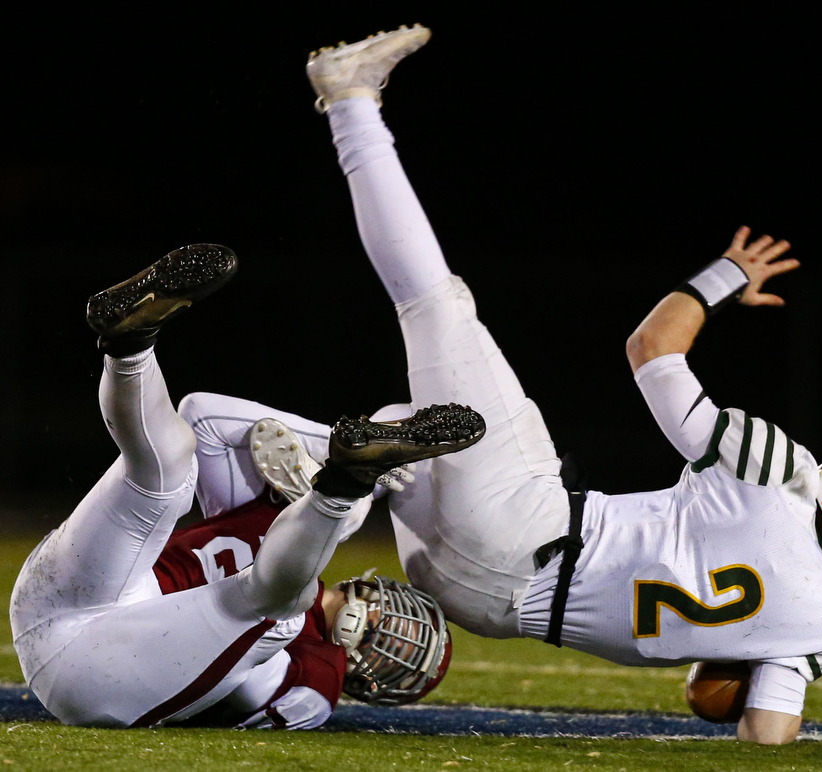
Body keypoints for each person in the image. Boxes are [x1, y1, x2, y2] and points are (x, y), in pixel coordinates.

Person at [290, 25, 822, 745]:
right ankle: (303, 485)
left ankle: (350, 98)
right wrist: (735, 660)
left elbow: (651, 348)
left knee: (435, 305)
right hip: (490, 609)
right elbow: (765, 733)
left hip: (524, 525)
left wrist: (727, 275)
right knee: (398, 428)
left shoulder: (778, 471)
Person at [8, 244, 485, 729]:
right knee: (168, 466)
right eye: (403, 629)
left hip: (95, 677)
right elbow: (203, 416)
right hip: (61, 598)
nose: (389, 632)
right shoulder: (269, 514)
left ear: (372, 681)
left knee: (282, 611)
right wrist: (325, 452)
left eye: (398, 652)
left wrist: (335, 503)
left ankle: (345, 484)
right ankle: (131, 344)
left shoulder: (318, 674)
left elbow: (266, 693)